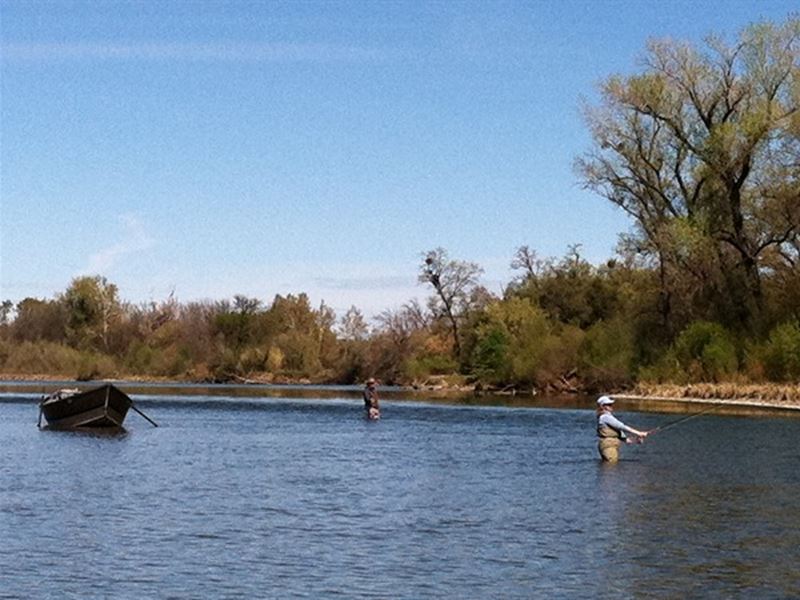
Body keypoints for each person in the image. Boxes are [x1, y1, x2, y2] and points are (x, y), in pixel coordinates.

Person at [596, 395, 648, 462]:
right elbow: (621, 426)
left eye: (611, 404)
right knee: (611, 468)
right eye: (609, 405)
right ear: (603, 406)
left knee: (609, 467)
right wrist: (639, 433)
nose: (611, 406)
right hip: (608, 447)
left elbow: (619, 433)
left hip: (609, 446)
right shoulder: (605, 417)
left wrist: (635, 440)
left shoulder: (607, 417)